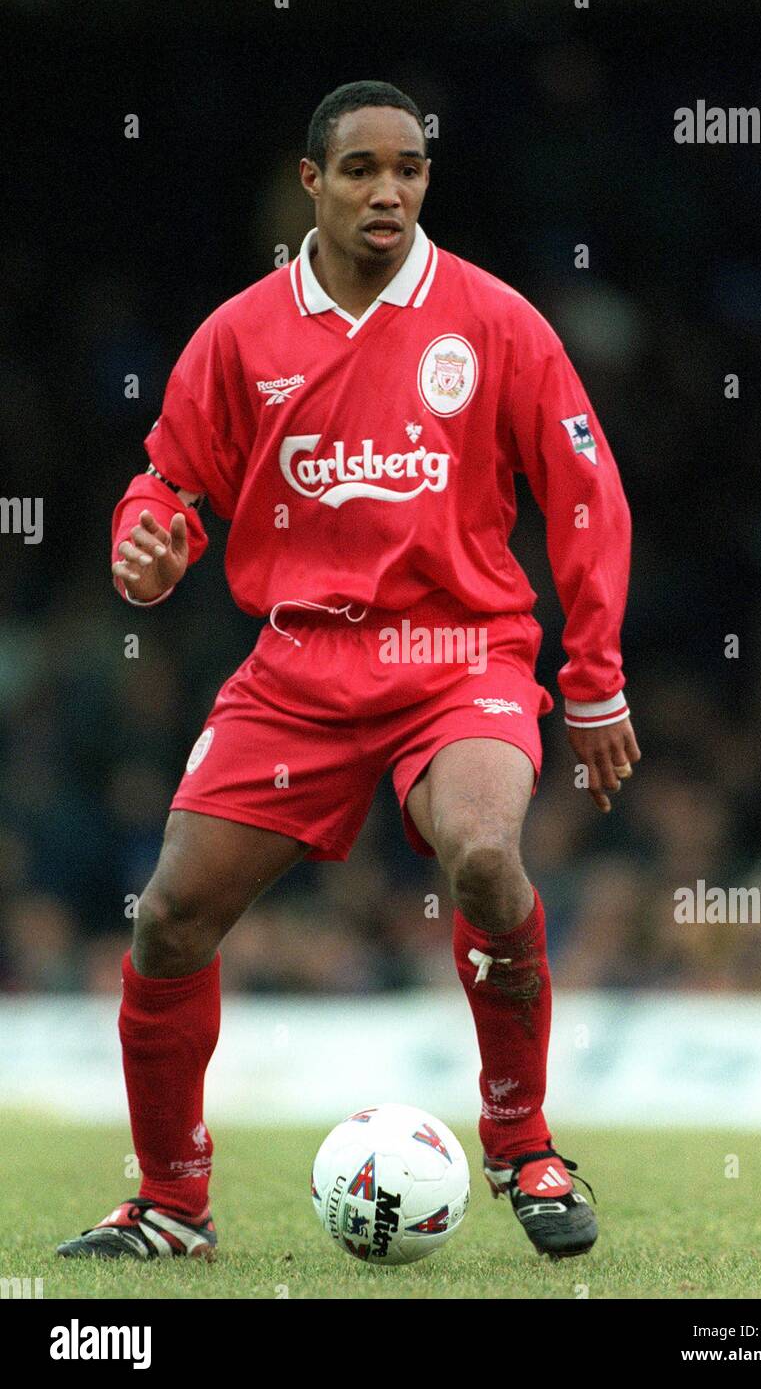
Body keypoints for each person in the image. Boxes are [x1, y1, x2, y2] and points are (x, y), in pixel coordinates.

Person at [58, 80, 639, 1264]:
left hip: (459, 653)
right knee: (169, 919)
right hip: (298, 667)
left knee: (483, 853)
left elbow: (586, 493)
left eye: (410, 168)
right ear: (310, 181)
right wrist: (148, 543)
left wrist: (593, 678)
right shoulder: (238, 335)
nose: (389, 190)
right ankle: (174, 1201)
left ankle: (522, 1141)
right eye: (363, 168)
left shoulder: (492, 320)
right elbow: (167, 485)